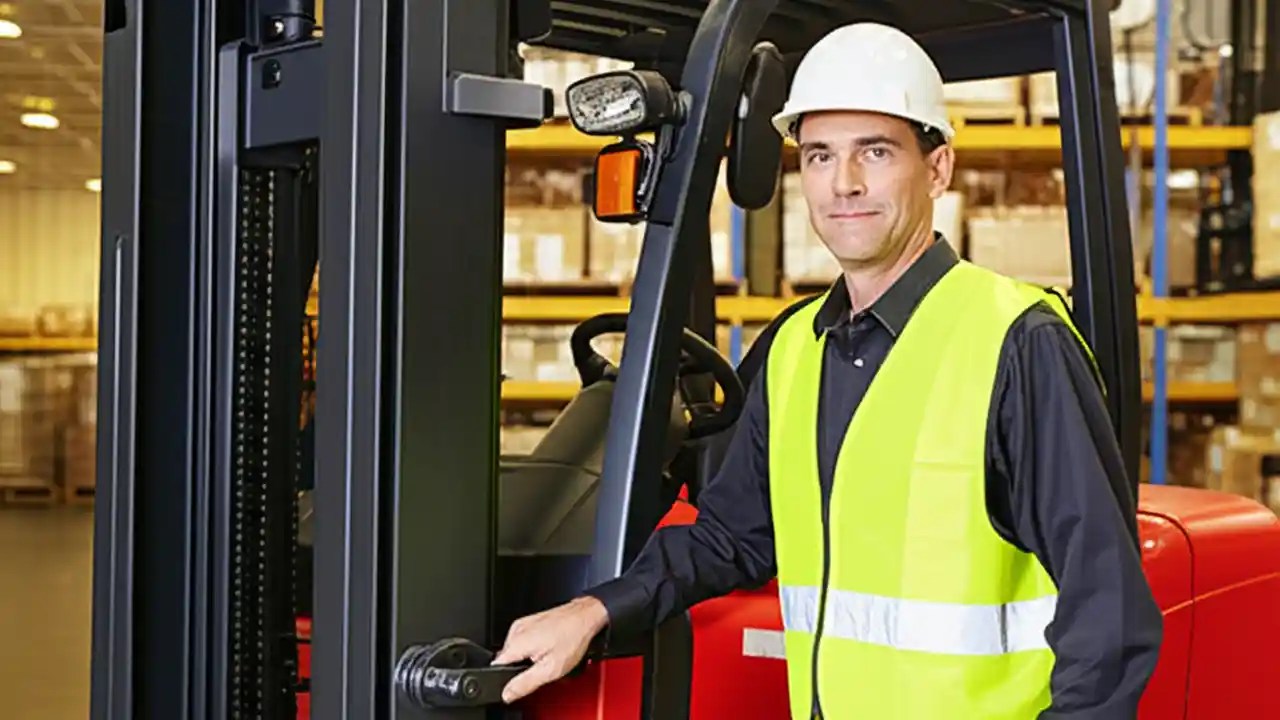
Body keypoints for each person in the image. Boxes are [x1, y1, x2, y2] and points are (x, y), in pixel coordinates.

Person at [493, 22, 1163, 719]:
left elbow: (1108, 621)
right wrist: (595, 610)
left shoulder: (1017, 344)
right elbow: (731, 536)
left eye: (874, 152)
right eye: (819, 156)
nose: (843, 184)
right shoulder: (794, 349)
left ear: (937, 169)